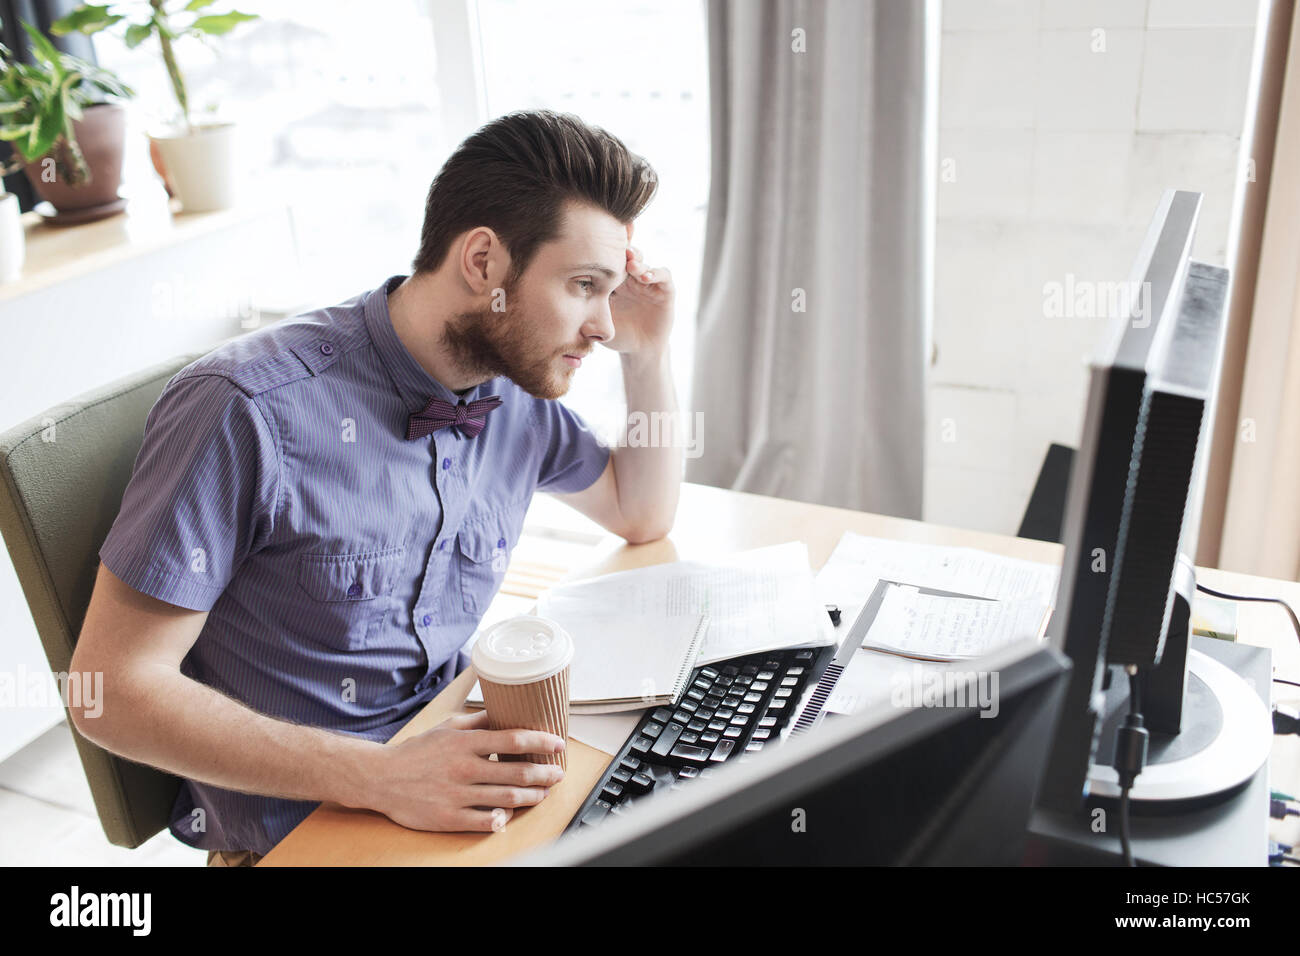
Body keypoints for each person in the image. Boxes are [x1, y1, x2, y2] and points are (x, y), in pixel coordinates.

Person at [67, 110, 683, 865]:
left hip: (457, 774)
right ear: (483, 261)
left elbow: (641, 512)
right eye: (585, 285)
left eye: (610, 291)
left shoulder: (511, 387)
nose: (600, 325)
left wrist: (648, 355)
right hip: (307, 833)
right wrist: (381, 777)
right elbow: (109, 691)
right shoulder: (245, 410)